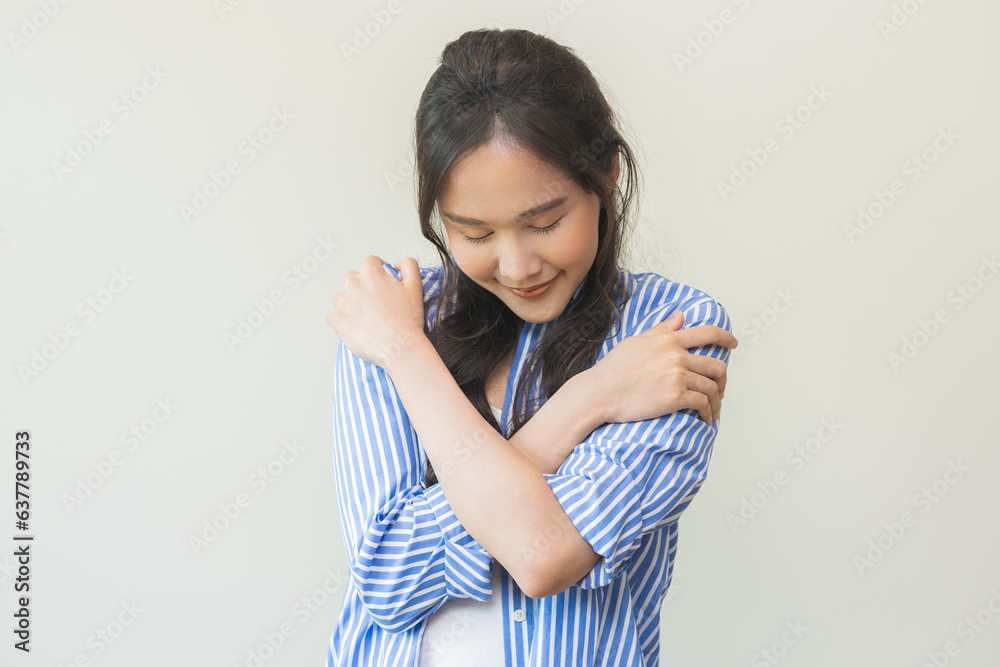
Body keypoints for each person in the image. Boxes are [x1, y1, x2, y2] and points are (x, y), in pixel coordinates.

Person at [325, 27, 738, 667]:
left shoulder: (668, 332)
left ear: (606, 175)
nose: (517, 265)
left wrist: (411, 364)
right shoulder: (396, 322)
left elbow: (545, 553)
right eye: (475, 231)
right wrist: (589, 399)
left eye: (544, 222)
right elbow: (388, 579)